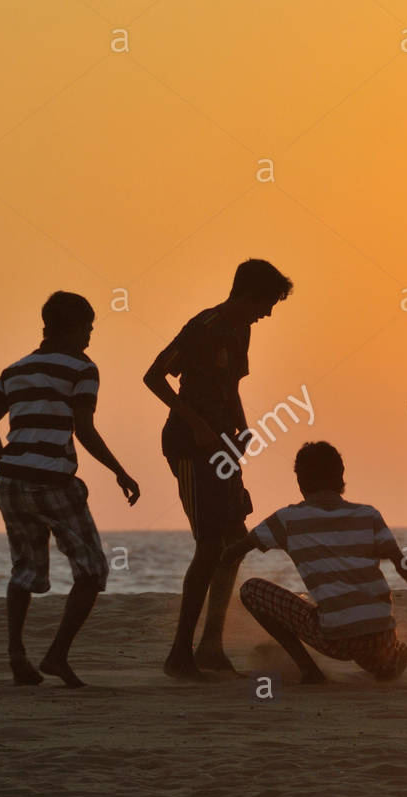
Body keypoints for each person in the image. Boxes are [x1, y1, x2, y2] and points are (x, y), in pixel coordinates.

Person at [0, 291, 140, 688]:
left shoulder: (13, 370)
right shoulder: (82, 368)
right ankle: (56, 656)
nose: (89, 337)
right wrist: (121, 472)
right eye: (87, 328)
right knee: (92, 569)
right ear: (71, 328)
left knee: (24, 570)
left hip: (10, 484)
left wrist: (5, 462)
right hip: (54, 483)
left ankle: (17, 654)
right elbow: (84, 430)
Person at [144, 259, 293, 679]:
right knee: (210, 544)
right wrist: (196, 423)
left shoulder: (240, 330)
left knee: (234, 542)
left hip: (224, 449)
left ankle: (211, 643)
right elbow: (154, 376)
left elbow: (233, 386)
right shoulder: (202, 327)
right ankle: (179, 653)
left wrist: (243, 429)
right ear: (248, 295)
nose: (267, 314)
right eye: (266, 304)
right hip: (189, 447)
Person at [224, 441, 407, 683]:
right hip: (380, 636)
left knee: (251, 590)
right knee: (382, 645)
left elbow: (234, 551)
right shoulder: (368, 515)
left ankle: (310, 671)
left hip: (337, 640)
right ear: (341, 478)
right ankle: (387, 660)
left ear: (300, 482)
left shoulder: (287, 519)